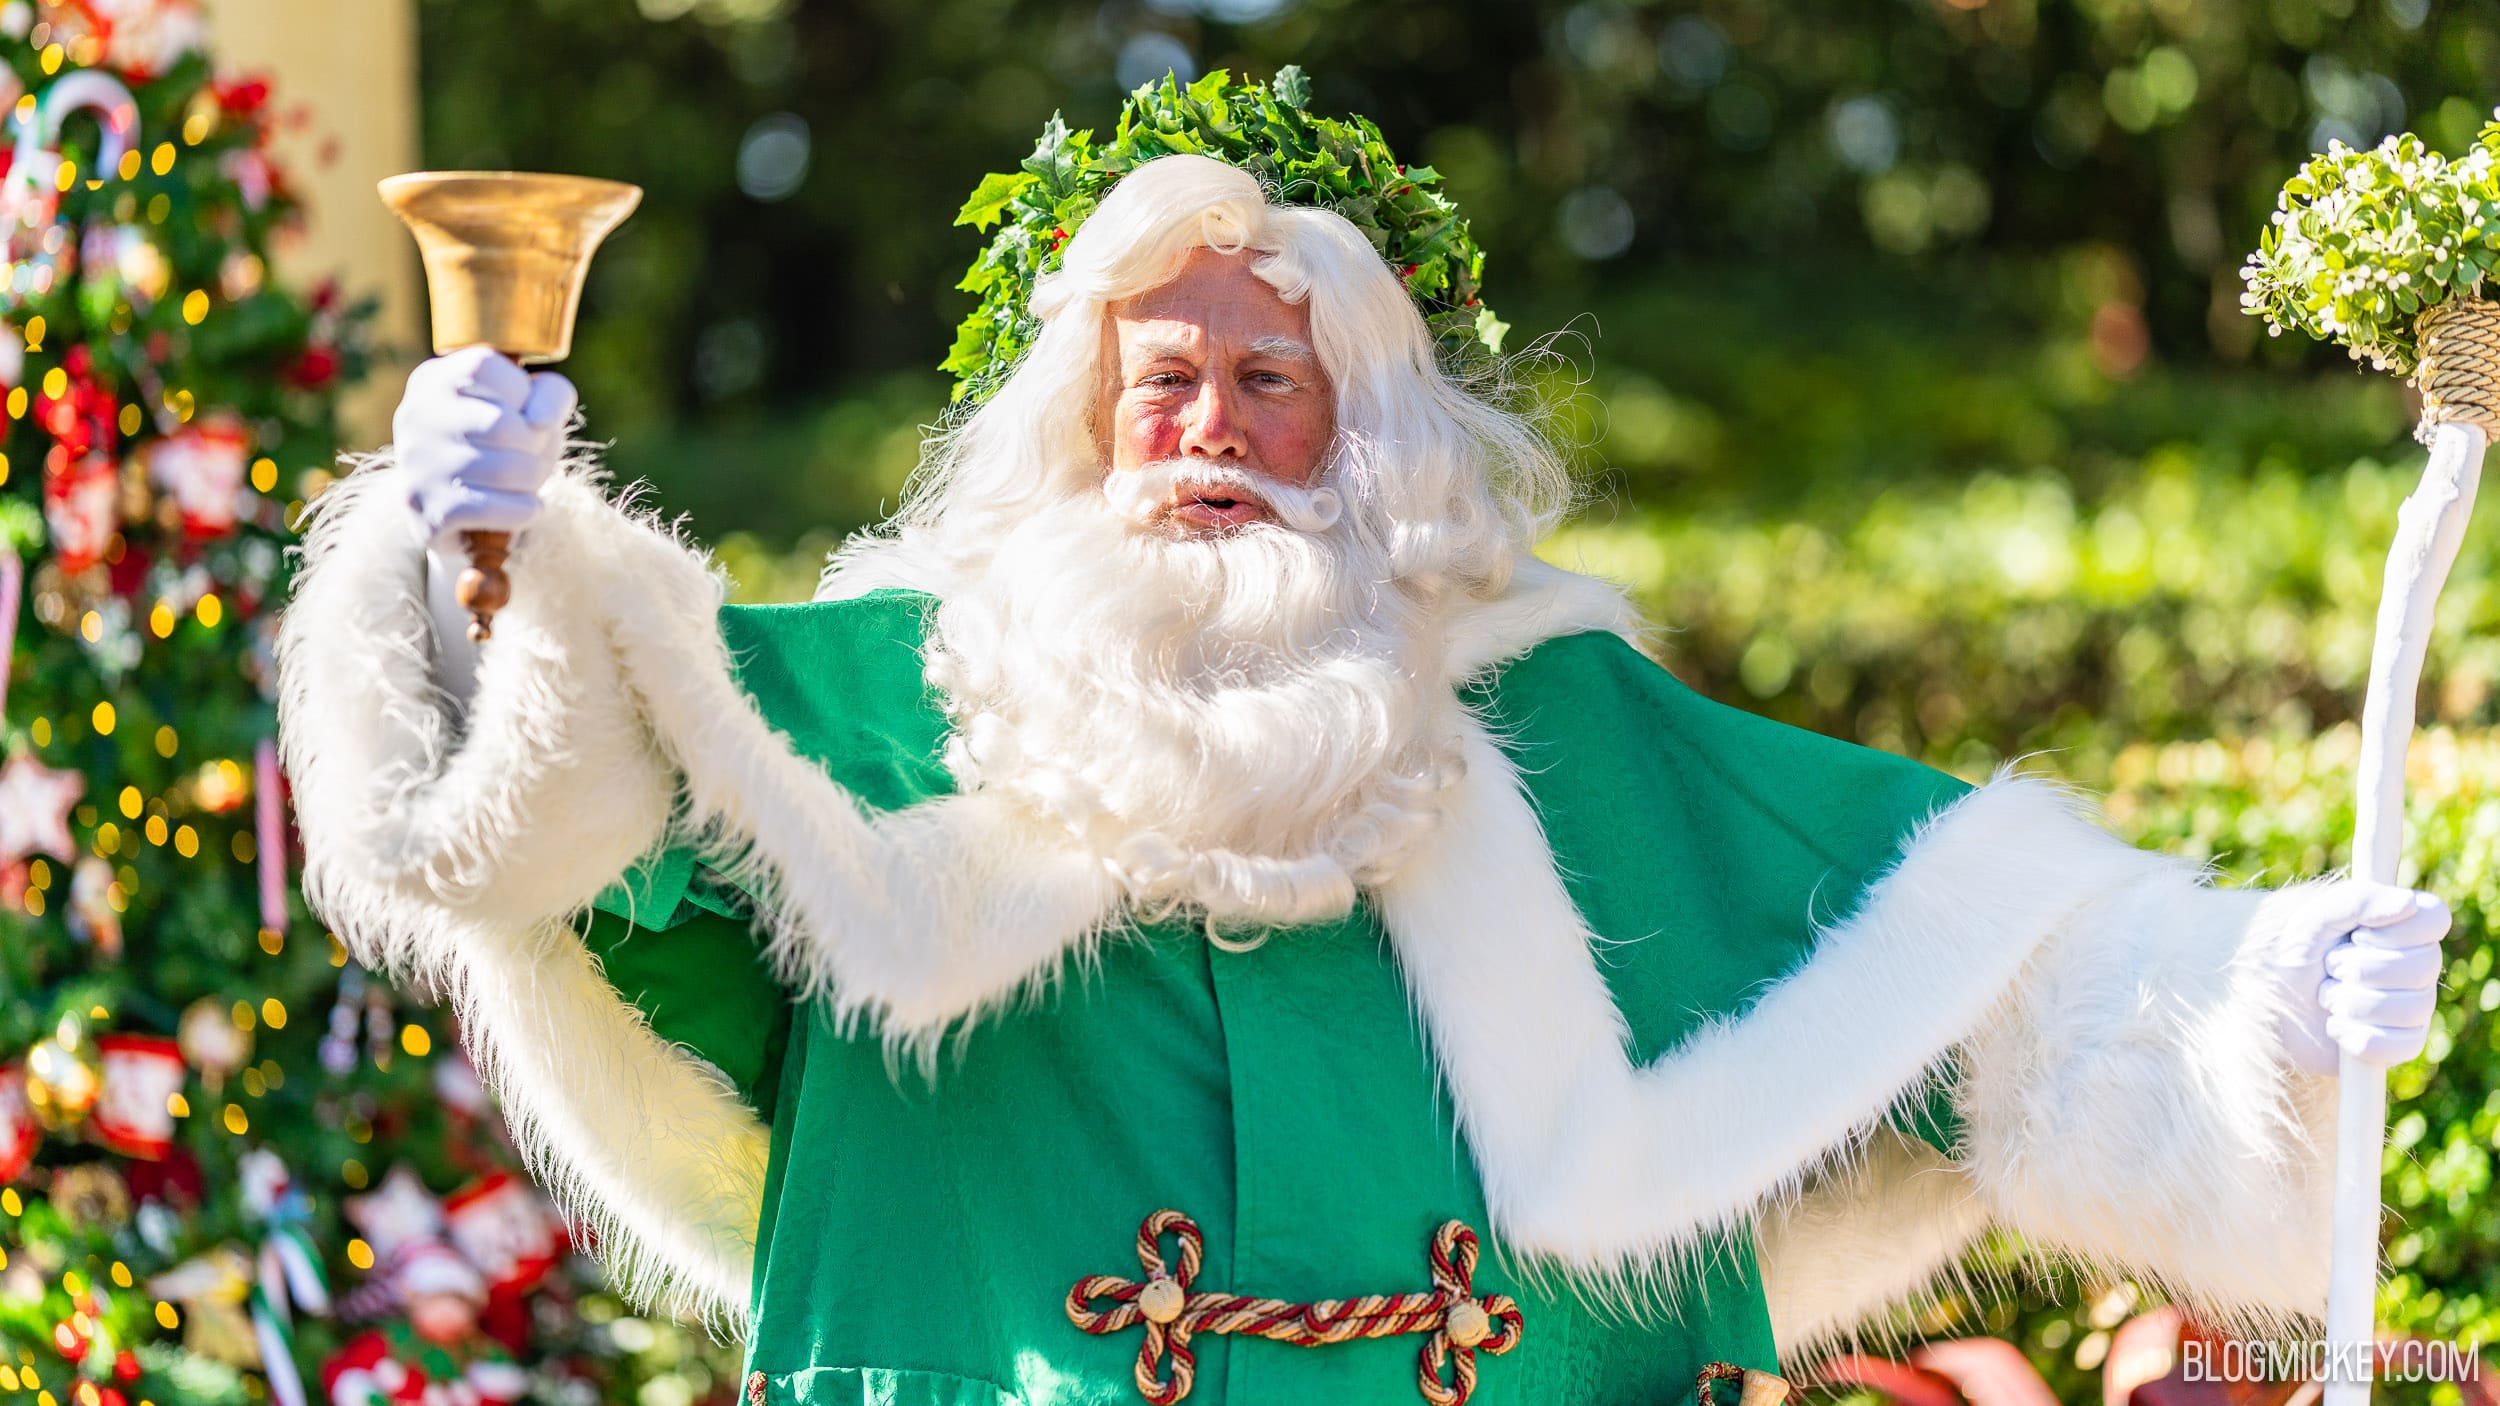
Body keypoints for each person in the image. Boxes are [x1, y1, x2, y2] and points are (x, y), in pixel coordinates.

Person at [275, 93, 2451, 1406]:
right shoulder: (868, 700)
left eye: (1267, 382)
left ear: (1369, 435)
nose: (1210, 426)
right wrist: (470, 559)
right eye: (1162, 379)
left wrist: (2266, 1010)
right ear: (1078, 420)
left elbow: (1982, 942)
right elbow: (539, 823)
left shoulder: (1568, 734)